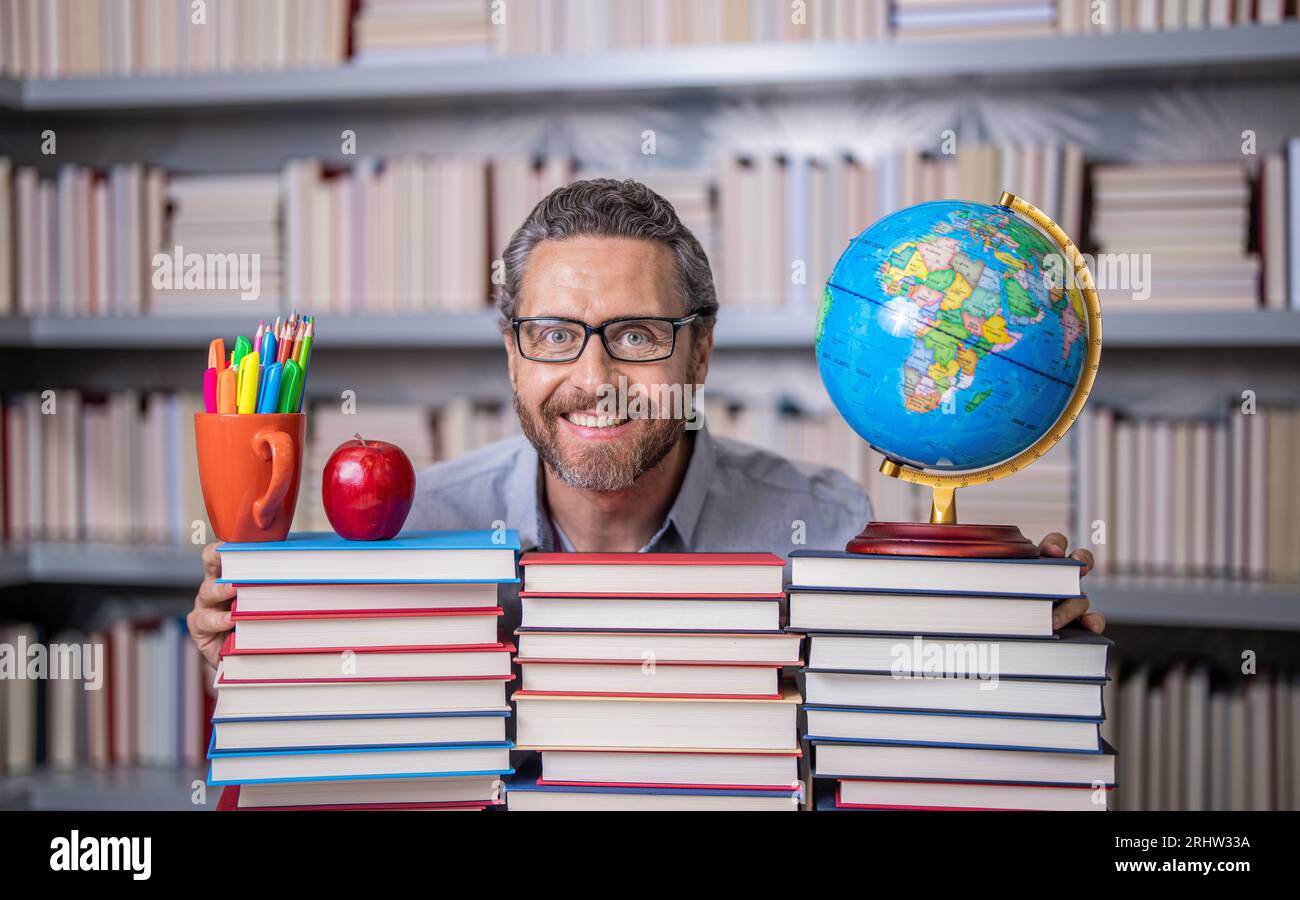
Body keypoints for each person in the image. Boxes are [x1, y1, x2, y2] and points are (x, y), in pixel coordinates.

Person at [189, 178, 1100, 668]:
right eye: (552, 335)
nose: (594, 380)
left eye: (634, 335)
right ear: (511, 352)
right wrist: (257, 667)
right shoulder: (417, 533)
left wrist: (1010, 661)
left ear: (699, 353)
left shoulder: (827, 533)